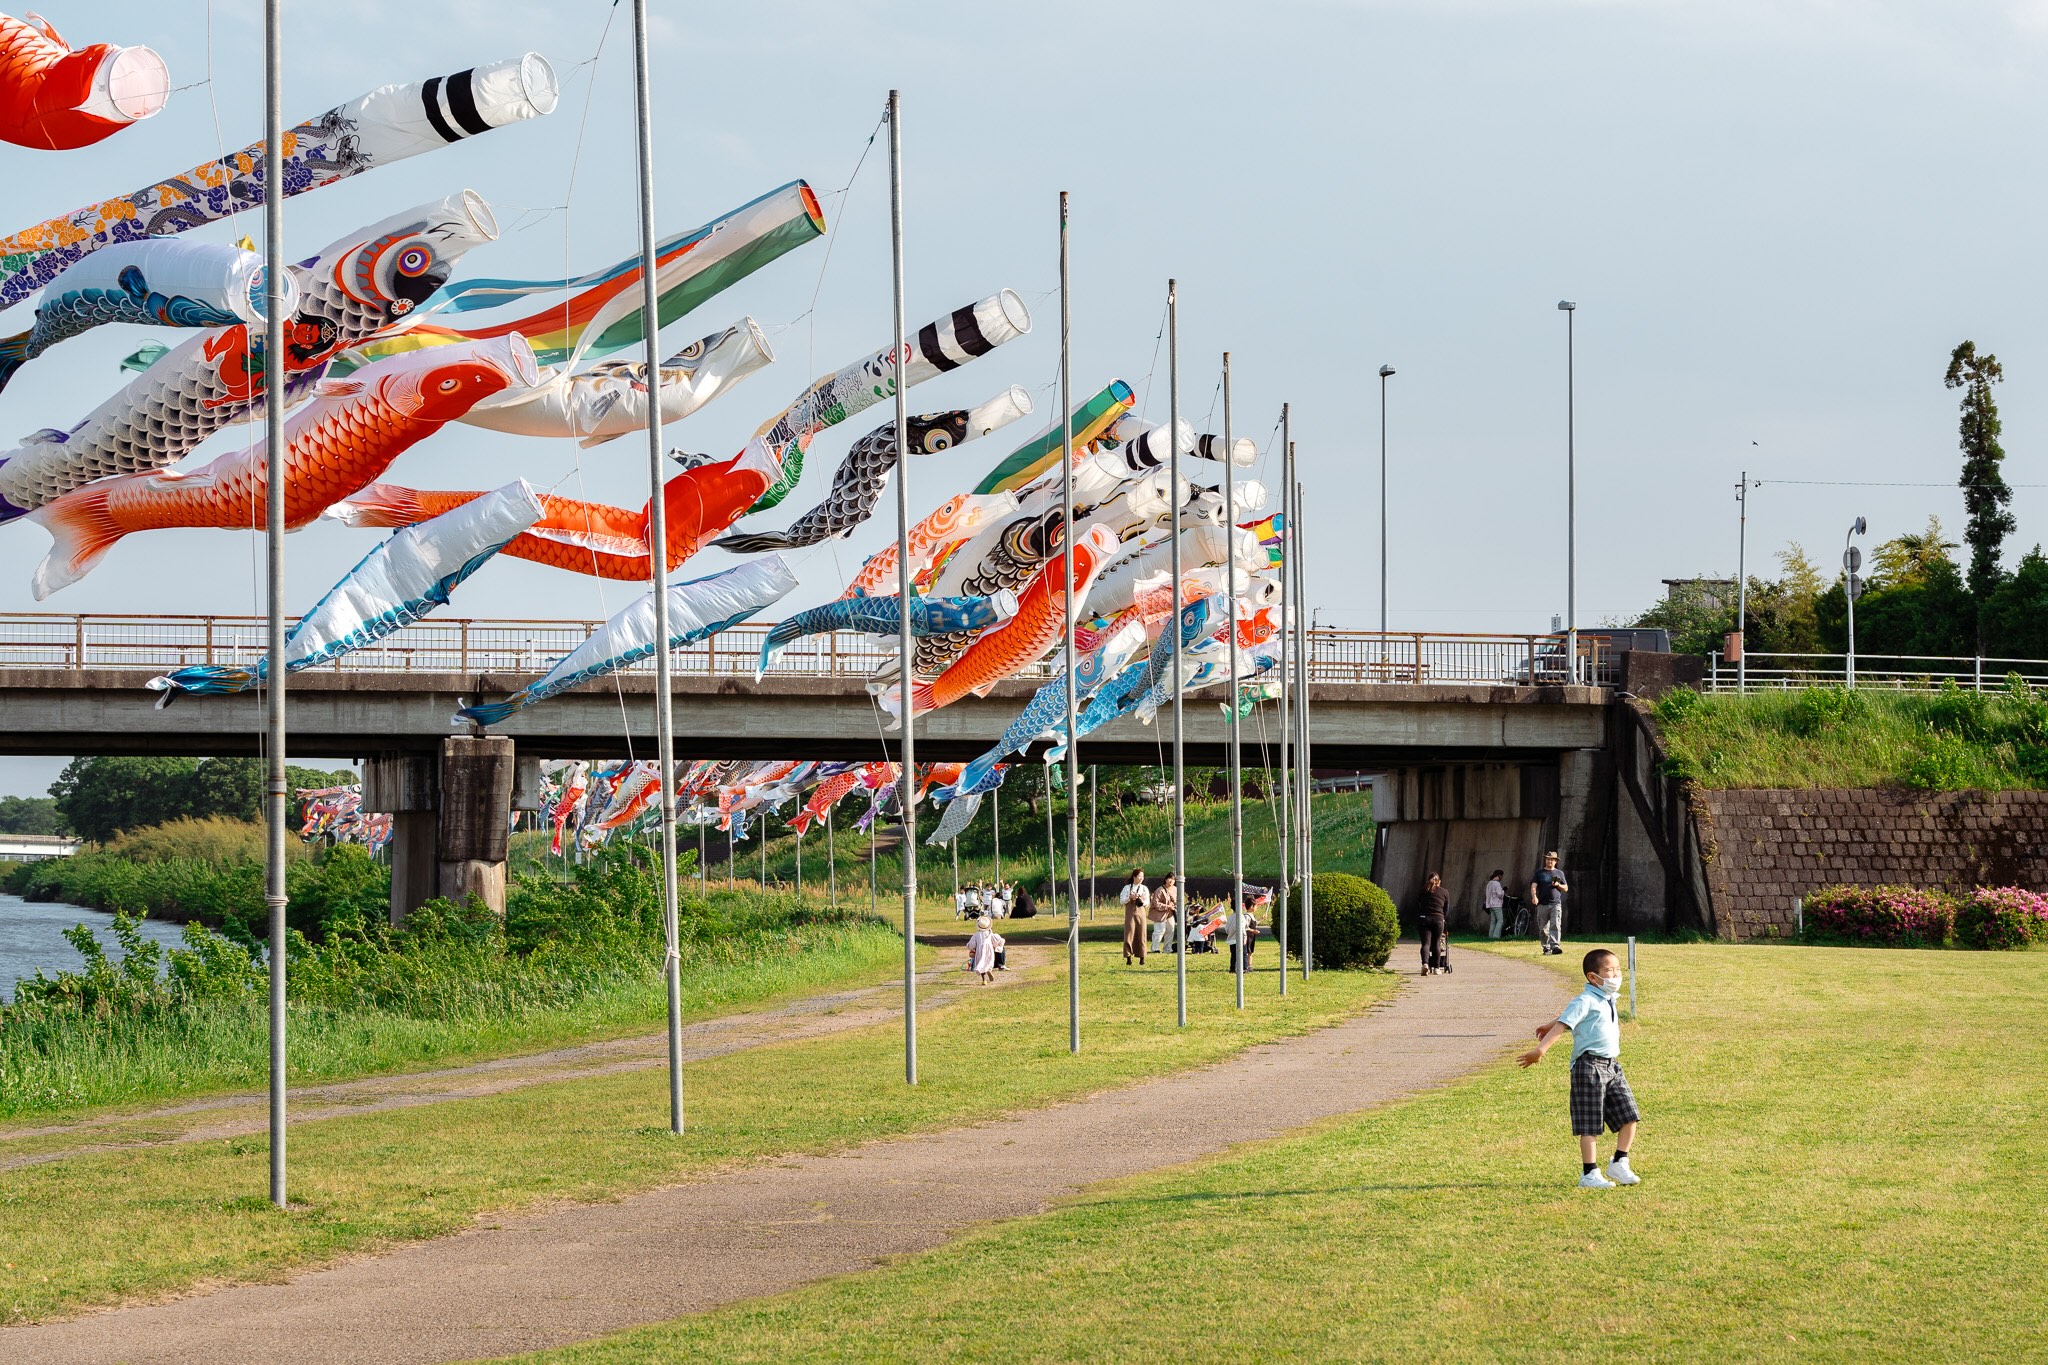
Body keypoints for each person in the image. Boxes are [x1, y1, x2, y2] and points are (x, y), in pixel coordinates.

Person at [1517, 947, 1642, 1189]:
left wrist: (1548, 1022)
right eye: (1609, 971)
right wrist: (1540, 1050)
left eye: (1618, 970)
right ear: (1593, 978)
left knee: (1629, 1115)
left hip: (1612, 1066)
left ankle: (1619, 1162)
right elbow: (1564, 1025)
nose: (1616, 976)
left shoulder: (1606, 997)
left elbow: (1566, 1016)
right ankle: (1589, 1173)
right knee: (1590, 1123)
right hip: (1589, 1066)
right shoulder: (1585, 999)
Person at [1529, 853, 1569, 955]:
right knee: (1543, 928)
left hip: (1556, 904)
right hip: (1542, 904)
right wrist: (1534, 897)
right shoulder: (1539, 873)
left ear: (1556, 861)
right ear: (1545, 860)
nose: (1549, 861)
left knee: (1555, 925)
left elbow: (1566, 888)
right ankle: (1546, 947)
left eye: (1552, 860)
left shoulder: (1559, 873)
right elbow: (1533, 886)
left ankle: (1555, 946)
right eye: (1548, 859)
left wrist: (1558, 885)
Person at [1415, 872, 1450, 975]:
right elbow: (1446, 909)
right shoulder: (1445, 892)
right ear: (1439, 881)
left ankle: (1425, 964)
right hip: (1438, 919)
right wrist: (1443, 918)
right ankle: (1436, 968)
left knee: (1426, 943)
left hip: (1424, 919)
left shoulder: (1423, 890)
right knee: (1436, 943)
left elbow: (1419, 905)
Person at [1119, 868, 1150, 965]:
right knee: (1129, 934)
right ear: (1134, 876)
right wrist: (1130, 897)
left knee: (1141, 935)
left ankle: (1142, 957)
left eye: (1142, 876)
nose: (1141, 878)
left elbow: (1147, 903)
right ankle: (1128, 957)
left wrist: (1141, 899)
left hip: (1141, 914)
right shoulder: (1127, 888)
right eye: (1139, 876)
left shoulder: (1144, 888)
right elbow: (1122, 901)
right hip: (1130, 914)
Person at [1148, 873, 1179, 953]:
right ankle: (1155, 949)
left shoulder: (1175, 889)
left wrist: (1174, 905)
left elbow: (1177, 900)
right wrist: (1167, 906)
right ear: (1165, 879)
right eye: (1170, 879)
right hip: (1160, 914)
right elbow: (1156, 903)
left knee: (1171, 930)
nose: (1171, 881)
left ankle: (1167, 949)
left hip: (1170, 914)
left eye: (1173, 879)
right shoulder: (1160, 890)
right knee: (1159, 931)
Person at [966, 914, 1001, 984]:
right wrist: (997, 946)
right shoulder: (989, 933)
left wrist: (971, 949)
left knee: (981, 963)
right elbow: (995, 941)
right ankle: (989, 969)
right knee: (989, 961)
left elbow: (972, 944)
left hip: (980, 951)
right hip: (989, 950)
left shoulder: (976, 935)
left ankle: (984, 980)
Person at [1484, 869, 1507, 939]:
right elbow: (1500, 894)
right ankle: (1496, 936)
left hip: (1490, 904)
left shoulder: (1489, 883)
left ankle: (1490, 936)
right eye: (1501, 876)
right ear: (1498, 875)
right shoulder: (1497, 884)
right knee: (1500, 920)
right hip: (1497, 904)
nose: (1501, 878)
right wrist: (1503, 891)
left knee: (1493, 921)